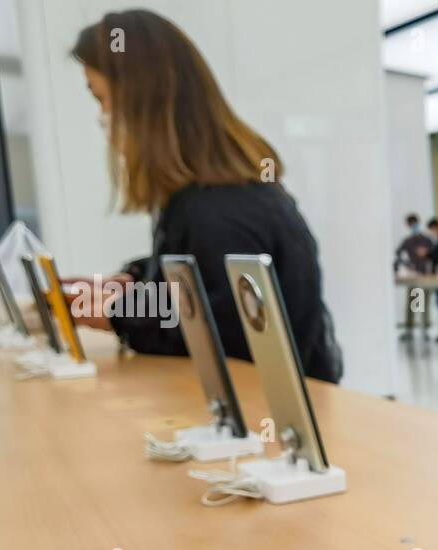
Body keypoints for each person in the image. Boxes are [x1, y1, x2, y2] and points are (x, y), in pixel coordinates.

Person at [64, 9, 343, 384]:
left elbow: (225, 334)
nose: (103, 119)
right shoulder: (211, 198)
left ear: (142, 101)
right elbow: (198, 288)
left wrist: (118, 314)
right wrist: (135, 278)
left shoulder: (216, 210)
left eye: (103, 100)